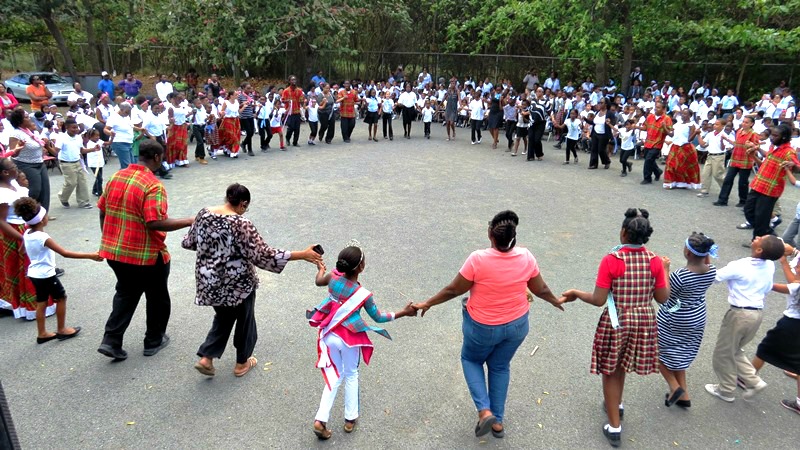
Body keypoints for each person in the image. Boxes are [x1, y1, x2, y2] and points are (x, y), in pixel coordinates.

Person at [412, 211, 563, 439]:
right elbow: (540, 289)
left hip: (483, 327)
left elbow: (455, 289)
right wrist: (556, 300)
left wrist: (428, 303)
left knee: (471, 359)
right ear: (514, 237)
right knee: (500, 366)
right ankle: (498, 422)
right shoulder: (526, 257)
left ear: (490, 235)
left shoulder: (478, 259)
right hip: (517, 326)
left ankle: (484, 411)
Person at [184, 183, 321, 378]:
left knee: (224, 316)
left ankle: (206, 357)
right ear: (242, 204)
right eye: (245, 208)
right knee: (245, 321)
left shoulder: (203, 214)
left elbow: (189, 242)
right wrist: (302, 254)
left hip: (209, 282)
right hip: (238, 284)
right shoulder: (241, 224)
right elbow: (264, 254)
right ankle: (242, 363)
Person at [559, 208, 669, 447]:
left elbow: (599, 300)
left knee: (610, 369)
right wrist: (666, 272)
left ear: (623, 233)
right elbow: (662, 298)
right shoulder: (655, 261)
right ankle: (617, 405)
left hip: (617, 320)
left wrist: (577, 293)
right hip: (643, 321)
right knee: (623, 364)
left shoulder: (612, 260)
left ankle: (614, 427)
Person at [96, 139, 194, 361]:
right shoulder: (153, 185)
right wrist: (190, 220)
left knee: (125, 293)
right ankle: (153, 340)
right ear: (157, 157)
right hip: (145, 255)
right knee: (157, 296)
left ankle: (111, 340)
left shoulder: (116, 177)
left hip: (115, 252)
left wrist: (108, 238)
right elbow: (154, 222)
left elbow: (102, 210)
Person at [308, 243, 416, 439]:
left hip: (330, 335)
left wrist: (321, 269)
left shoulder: (332, 279)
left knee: (335, 375)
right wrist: (404, 312)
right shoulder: (362, 294)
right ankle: (350, 419)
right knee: (351, 374)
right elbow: (379, 318)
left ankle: (321, 419)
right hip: (349, 338)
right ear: (360, 268)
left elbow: (318, 281)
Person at [704, 234, 784, 402]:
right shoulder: (770, 265)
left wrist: (706, 257)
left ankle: (726, 390)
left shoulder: (740, 266)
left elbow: (713, 277)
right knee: (734, 350)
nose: (757, 237)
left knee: (723, 354)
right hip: (756, 314)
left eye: (760, 239)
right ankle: (754, 380)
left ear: (759, 249)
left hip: (739, 315)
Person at [13, 197, 102, 343]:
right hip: (46, 274)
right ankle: (62, 329)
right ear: (42, 220)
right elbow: (64, 253)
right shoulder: (43, 237)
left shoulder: (27, 233)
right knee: (61, 298)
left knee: (41, 302)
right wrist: (91, 255)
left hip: (34, 273)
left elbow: (22, 250)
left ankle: (42, 333)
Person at [657, 232, 717, 408]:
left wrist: (665, 270)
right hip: (696, 317)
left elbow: (666, 295)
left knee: (655, 350)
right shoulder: (711, 271)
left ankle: (674, 386)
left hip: (675, 317)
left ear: (688, 253)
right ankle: (684, 395)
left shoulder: (679, 276)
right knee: (680, 351)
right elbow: (706, 263)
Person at [0, 157, 54, 320]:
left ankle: (38, 301)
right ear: (4, 172)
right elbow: (1, 221)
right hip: (13, 232)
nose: (16, 168)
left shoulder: (15, 184)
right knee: (21, 270)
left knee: (32, 266)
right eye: (13, 166)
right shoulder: (2, 193)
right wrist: (22, 238)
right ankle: (26, 305)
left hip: (25, 228)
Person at [748, 249, 800, 413]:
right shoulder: (797, 284)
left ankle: (747, 377)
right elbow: (793, 281)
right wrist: (784, 261)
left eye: (797, 265)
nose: (795, 267)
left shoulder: (797, 287)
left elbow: (778, 287)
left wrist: (759, 280)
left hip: (791, 324)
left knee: (764, 348)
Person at [744, 124, 795, 240]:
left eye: (775, 136)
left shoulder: (789, 152)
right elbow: (765, 162)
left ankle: (759, 240)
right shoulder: (773, 146)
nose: (772, 137)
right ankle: (768, 233)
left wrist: (793, 165)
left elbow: (796, 165)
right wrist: (754, 154)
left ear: (784, 137)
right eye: (772, 134)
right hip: (759, 184)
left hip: (771, 189)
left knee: (761, 216)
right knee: (748, 210)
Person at [6, 109, 52, 212]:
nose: (30, 119)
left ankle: (42, 213)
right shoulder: (16, 134)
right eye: (26, 117)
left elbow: (37, 146)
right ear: (19, 121)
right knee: (35, 190)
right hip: (26, 164)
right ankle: (28, 211)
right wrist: (19, 147)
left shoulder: (30, 132)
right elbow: (14, 153)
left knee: (45, 190)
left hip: (39, 162)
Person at [714, 116, 760, 206]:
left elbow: (757, 146)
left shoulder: (753, 134)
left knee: (742, 182)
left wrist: (752, 146)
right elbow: (736, 143)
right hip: (735, 159)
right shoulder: (739, 131)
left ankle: (743, 201)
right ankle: (722, 200)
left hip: (745, 161)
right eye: (743, 122)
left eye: (746, 122)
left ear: (751, 124)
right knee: (728, 179)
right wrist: (727, 139)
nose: (744, 123)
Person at [55, 119, 92, 209]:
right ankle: (63, 197)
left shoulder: (78, 137)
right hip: (66, 163)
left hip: (77, 161)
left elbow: (81, 150)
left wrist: (93, 149)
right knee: (71, 183)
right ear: (67, 128)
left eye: (77, 127)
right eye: (73, 128)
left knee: (82, 182)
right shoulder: (61, 138)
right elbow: (56, 151)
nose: (76, 129)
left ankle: (83, 202)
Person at [663, 109, 700, 189]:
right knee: (670, 164)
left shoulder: (691, 125)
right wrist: (665, 127)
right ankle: (670, 183)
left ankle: (682, 182)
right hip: (675, 146)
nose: (683, 115)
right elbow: (671, 135)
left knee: (681, 166)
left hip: (685, 147)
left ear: (690, 116)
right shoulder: (677, 124)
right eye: (682, 113)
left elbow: (690, 139)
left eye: (685, 114)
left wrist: (695, 133)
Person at [638, 101, 672, 185]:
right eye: (655, 107)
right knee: (649, 159)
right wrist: (636, 127)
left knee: (648, 159)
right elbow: (645, 127)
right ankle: (657, 171)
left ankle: (647, 178)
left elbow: (671, 134)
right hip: (648, 142)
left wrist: (664, 127)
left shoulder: (667, 119)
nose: (656, 109)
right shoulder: (650, 116)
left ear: (663, 109)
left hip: (657, 143)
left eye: (658, 107)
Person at [103, 103, 136, 169]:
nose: (128, 114)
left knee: (133, 163)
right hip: (119, 142)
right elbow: (105, 129)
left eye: (129, 112)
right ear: (121, 109)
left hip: (129, 142)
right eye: (126, 112)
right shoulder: (113, 117)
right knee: (126, 165)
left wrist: (140, 129)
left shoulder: (126, 116)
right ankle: (123, 178)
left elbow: (131, 126)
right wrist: (110, 133)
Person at [282, 75, 305, 148]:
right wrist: (287, 101)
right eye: (292, 80)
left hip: (297, 111)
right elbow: (282, 100)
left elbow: (301, 100)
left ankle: (295, 142)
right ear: (289, 81)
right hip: (290, 112)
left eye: (294, 80)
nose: (294, 81)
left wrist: (302, 102)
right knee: (291, 127)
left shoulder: (299, 90)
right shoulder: (286, 91)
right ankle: (287, 138)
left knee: (297, 128)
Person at [218, 91, 242, 157]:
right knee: (232, 136)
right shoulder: (226, 102)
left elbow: (238, 111)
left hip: (236, 120)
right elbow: (221, 111)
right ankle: (232, 150)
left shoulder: (237, 102)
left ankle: (233, 150)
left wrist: (244, 106)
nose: (237, 96)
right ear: (231, 96)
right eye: (235, 95)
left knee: (237, 136)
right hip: (228, 120)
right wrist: (222, 113)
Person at [237, 83, 257, 155]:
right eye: (247, 88)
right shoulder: (240, 96)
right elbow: (237, 106)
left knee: (252, 132)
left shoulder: (251, 95)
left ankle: (243, 143)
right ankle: (250, 149)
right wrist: (242, 104)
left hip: (250, 115)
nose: (249, 90)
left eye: (250, 88)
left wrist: (254, 106)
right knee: (249, 132)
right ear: (243, 88)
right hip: (244, 117)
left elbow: (251, 104)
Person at [84, 128, 105, 197]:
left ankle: (94, 190)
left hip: (100, 163)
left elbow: (106, 143)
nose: (98, 137)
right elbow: (91, 149)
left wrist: (112, 138)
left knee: (99, 177)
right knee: (99, 178)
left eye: (98, 135)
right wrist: (95, 148)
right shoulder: (89, 144)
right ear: (90, 137)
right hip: (93, 164)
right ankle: (100, 193)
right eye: (96, 136)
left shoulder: (99, 141)